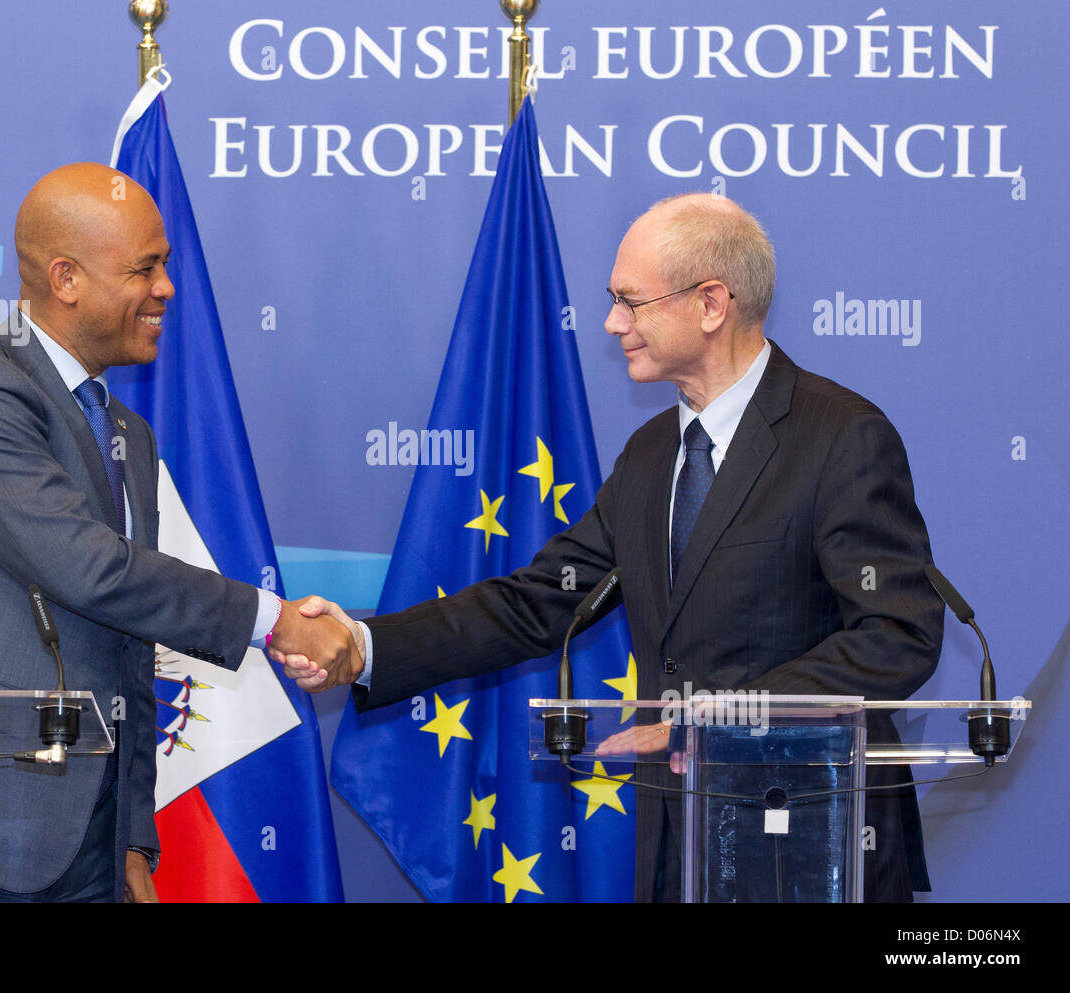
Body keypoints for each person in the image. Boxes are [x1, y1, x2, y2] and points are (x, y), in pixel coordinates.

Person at [278, 193, 944, 902]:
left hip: (815, 840)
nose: (611, 323)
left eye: (630, 301)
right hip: (678, 846)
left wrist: (717, 719)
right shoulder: (653, 453)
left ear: (711, 302)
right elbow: (537, 600)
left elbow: (898, 635)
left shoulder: (841, 436)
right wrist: (364, 643)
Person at [0, 162, 358, 902]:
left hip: (84, 847)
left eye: (166, 265)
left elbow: (129, 642)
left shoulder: (125, 433)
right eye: (146, 268)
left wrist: (133, 837)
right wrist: (273, 622)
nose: (167, 288)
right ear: (66, 277)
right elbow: (90, 569)